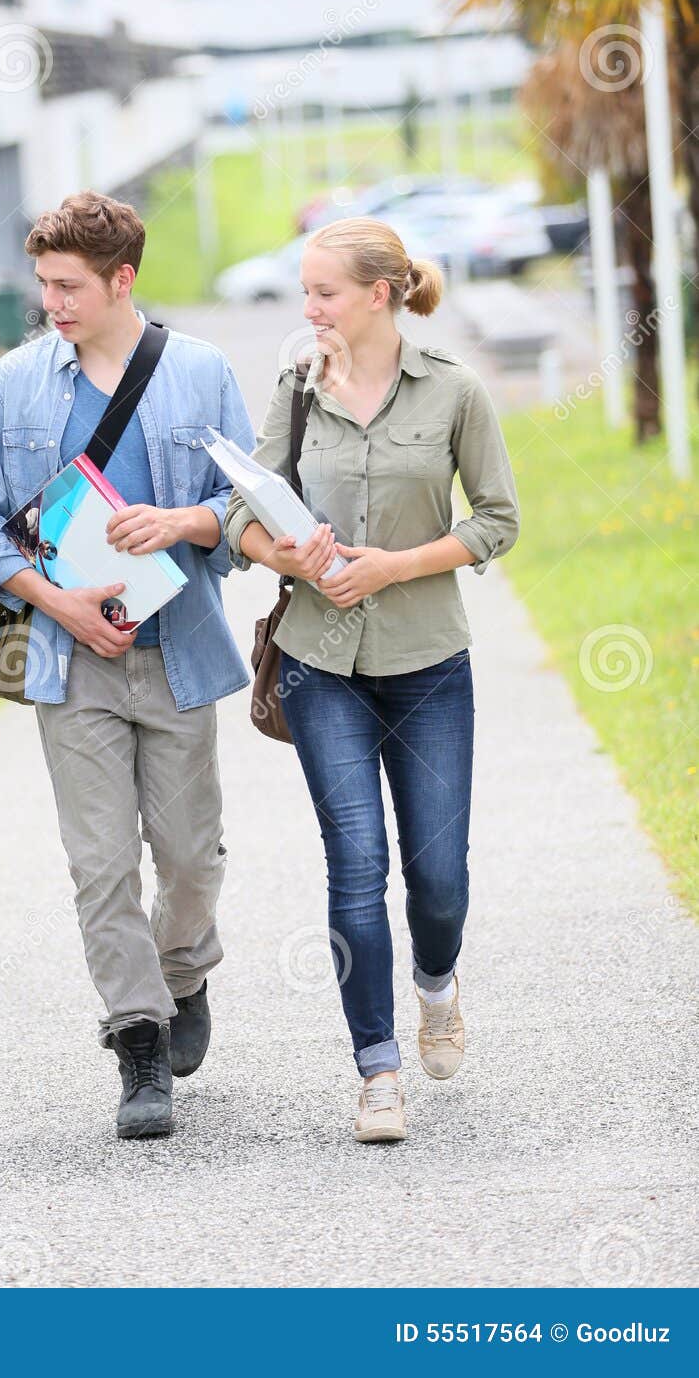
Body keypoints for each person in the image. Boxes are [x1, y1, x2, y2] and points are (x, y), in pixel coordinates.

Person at [0, 191, 255, 1141]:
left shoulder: (200, 372)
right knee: (100, 865)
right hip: (67, 661)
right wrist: (61, 606)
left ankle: (181, 971)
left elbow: (249, 510)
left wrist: (186, 521)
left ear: (122, 279)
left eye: (68, 286)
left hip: (178, 654)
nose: (51, 302)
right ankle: (138, 1044)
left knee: (190, 856)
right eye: (43, 283)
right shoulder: (12, 383)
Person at [224, 218, 520, 1144]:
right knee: (354, 865)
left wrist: (393, 566)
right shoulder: (296, 390)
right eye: (306, 292)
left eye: (324, 292)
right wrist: (286, 554)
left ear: (378, 294)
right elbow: (236, 514)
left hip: (428, 663)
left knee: (438, 879)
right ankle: (376, 1071)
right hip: (320, 666)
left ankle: (436, 984)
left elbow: (496, 520)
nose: (309, 308)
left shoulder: (453, 391)